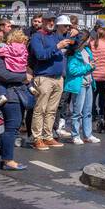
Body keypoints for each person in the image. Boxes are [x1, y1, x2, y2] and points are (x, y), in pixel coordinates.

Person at [0, 30, 33, 170]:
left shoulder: (18, 57)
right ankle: (8, 160)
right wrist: (23, 77)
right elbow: (4, 76)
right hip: (8, 96)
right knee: (12, 128)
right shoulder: (1, 55)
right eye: (21, 43)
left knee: (12, 128)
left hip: (17, 94)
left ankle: (5, 157)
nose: (23, 47)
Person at [29, 15, 72, 149]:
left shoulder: (54, 36)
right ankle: (37, 138)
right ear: (42, 23)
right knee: (40, 109)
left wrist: (73, 32)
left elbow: (72, 42)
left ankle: (48, 136)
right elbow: (40, 55)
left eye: (53, 21)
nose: (51, 23)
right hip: (44, 77)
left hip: (58, 78)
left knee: (52, 110)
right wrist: (57, 47)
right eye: (48, 21)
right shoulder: (37, 37)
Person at [64, 37, 99, 144]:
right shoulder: (74, 53)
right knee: (77, 111)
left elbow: (90, 66)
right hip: (79, 84)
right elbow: (72, 70)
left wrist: (93, 65)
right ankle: (75, 135)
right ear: (84, 40)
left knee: (88, 111)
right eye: (88, 39)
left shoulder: (87, 50)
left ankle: (88, 135)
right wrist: (88, 67)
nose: (90, 41)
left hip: (88, 82)